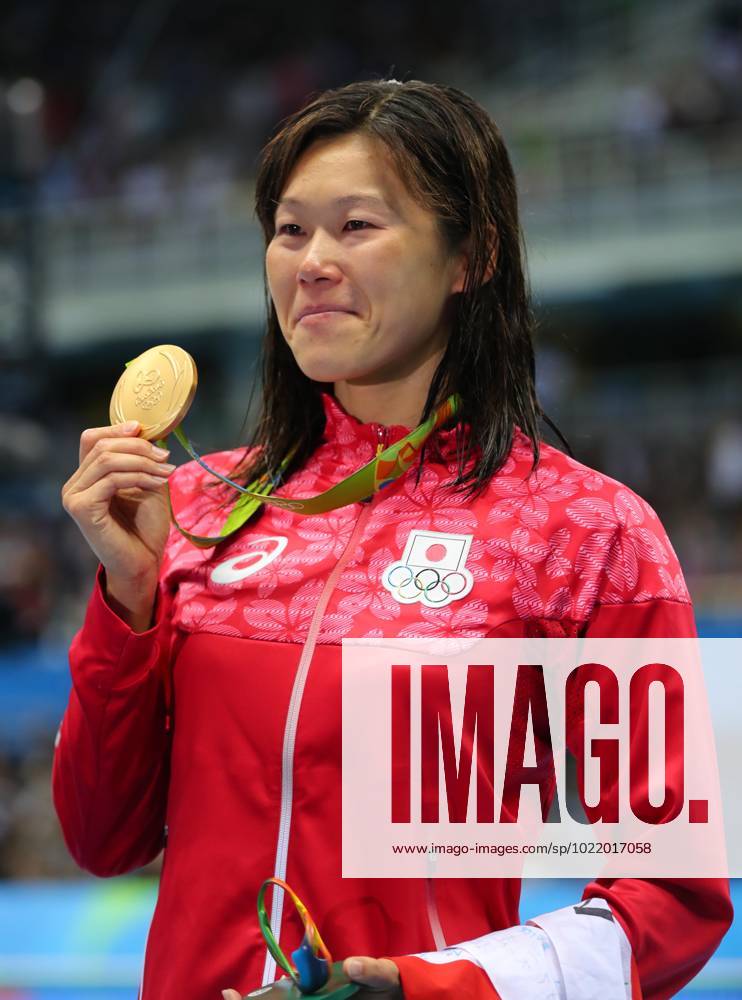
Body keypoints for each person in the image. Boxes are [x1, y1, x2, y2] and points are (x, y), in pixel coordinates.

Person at [55, 79, 731, 1000]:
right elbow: (103, 838)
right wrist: (127, 600)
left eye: (358, 226)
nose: (312, 263)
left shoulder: (585, 531)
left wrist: (435, 986)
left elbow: (674, 896)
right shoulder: (194, 508)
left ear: (470, 255)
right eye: (290, 231)